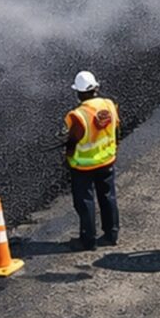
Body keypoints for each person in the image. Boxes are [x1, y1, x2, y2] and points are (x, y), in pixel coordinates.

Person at [64, 71, 120, 249]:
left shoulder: (77, 115)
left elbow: (74, 140)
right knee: (108, 197)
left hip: (84, 166)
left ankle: (88, 240)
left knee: (85, 201)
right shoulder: (109, 105)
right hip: (106, 161)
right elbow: (117, 128)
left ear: (79, 93)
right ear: (96, 88)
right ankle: (111, 235)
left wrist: (68, 156)